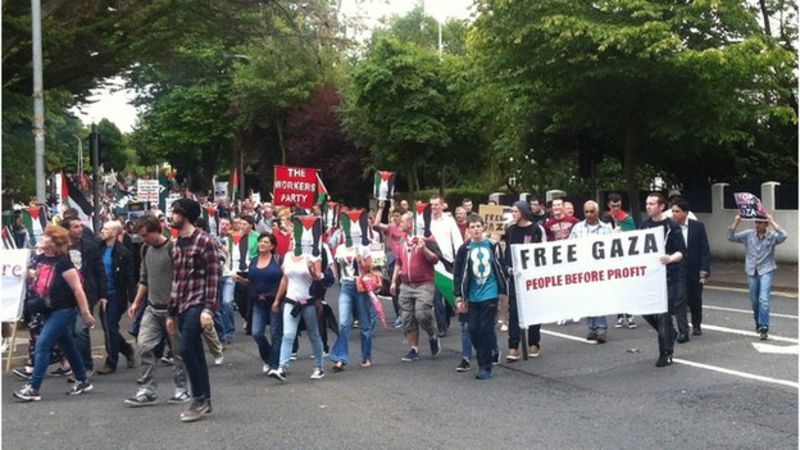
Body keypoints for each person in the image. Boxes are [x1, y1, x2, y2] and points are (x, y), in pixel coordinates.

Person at [13, 226, 96, 402]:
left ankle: (33, 387)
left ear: (54, 241)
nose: (42, 239)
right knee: (67, 345)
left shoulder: (64, 262)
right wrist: (30, 274)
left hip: (64, 310)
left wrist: (85, 313)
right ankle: (82, 380)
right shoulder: (42, 257)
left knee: (43, 343)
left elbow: (77, 289)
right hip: (47, 309)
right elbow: (38, 275)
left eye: (46, 236)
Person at [124, 215, 189, 407]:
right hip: (152, 307)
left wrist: (176, 305)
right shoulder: (145, 249)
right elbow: (144, 279)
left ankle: (181, 389)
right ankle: (147, 390)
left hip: (173, 310)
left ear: (156, 230)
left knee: (178, 352)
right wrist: (136, 302)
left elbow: (181, 280)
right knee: (144, 346)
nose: (144, 240)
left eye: (146, 235)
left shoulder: (173, 248)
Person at [166, 198, 221, 422]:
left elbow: (214, 275)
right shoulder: (178, 242)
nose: (172, 217)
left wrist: (209, 309)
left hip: (198, 302)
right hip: (182, 302)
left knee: (187, 347)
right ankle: (204, 400)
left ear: (186, 214)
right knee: (194, 351)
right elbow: (176, 280)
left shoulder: (204, 241)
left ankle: (198, 398)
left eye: (175, 213)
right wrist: (170, 312)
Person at [453, 215, 506, 379]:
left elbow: (501, 265)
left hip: (489, 293)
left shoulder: (493, 245)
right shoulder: (464, 249)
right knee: (473, 329)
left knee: (485, 328)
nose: (476, 229)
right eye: (473, 227)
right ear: (468, 229)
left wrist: (505, 286)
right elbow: (458, 273)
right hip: (472, 295)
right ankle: (489, 351)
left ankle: (485, 367)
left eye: (478, 226)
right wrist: (459, 297)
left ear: (483, 227)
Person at [640, 192, 686, 367]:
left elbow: (682, 251)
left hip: (669, 277)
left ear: (661, 206)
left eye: (652, 204)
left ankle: (666, 353)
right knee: (645, 310)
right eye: (647, 203)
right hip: (651, 277)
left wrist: (670, 258)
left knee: (663, 314)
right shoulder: (644, 226)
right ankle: (670, 333)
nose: (648, 207)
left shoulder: (671, 226)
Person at [267, 246, 325, 382]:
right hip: (291, 300)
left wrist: (311, 268)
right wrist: (277, 300)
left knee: (314, 334)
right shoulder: (287, 256)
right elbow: (285, 279)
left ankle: (319, 367)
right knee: (288, 334)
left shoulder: (312, 257)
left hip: (308, 301)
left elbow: (318, 279)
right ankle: (282, 367)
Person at [391, 212, 443, 362]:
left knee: (422, 314)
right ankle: (414, 349)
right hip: (406, 284)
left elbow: (435, 259)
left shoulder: (427, 239)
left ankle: (432, 334)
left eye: (402, 222)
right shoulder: (402, 241)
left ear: (411, 223)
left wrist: (424, 248)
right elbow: (398, 262)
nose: (399, 224)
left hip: (424, 284)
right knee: (407, 318)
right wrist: (394, 281)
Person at [727, 213, 787, 340]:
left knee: (763, 299)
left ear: (766, 224)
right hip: (751, 271)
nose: (757, 225)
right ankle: (758, 323)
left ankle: (764, 327)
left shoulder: (772, 236)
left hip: (766, 270)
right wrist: (736, 222)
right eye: (756, 222)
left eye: (760, 222)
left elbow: (783, 236)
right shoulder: (748, 234)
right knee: (754, 301)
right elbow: (730, 237)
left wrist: (772, 221)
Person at [62, 216, 106, 377]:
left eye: (80, 226)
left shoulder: (89, 246)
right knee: (69, 331)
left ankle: (86, 365)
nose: (80, 229)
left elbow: (99, 270)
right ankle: (75, 364)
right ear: (67, 230)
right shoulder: (60, 248)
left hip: (86, 293)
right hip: (65, 295)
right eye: (75, 227)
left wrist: (103, 294)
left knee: (81, 329)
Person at [503, 201, 546, 361]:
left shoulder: (536, 229)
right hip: (515, 277)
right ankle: (513, 346)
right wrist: (509, 269)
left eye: (516, 211)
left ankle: (534, 342)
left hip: (532, 277)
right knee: (514, 311)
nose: (513, 214)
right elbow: (507, 253)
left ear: (523, 211)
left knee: (534, 309)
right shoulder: (510, 231)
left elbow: (543, 252)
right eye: (512, 211)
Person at [569, 201, 613, 343]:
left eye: (591, 211)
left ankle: (601, 329)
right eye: (586, 212)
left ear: (597, 212)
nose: (588, 214)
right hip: (584, 269)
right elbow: (570, 246)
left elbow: (613, 247)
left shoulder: (606, 228)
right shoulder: (577, 228)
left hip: (600, 269)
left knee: (599, 297)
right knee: (588, 298)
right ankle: (592, 328)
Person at [330, 235, 375, 371]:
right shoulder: (341, 248)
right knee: (343, 323)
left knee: (365, 324)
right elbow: (339, 267)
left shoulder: (364, 247)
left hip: (361, 286)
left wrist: (360, 259)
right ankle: (340, 358)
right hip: (347, 285)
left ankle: (366, 356)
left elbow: (371, 267)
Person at [97, 220, 136, 375]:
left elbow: (129, 277)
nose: (102, 230)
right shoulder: (97, 249)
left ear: (115, 232)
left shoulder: (123, 253)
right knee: (109, 328)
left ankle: (111, 362)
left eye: (106, 229)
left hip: (116, 295)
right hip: (102, 295)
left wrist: (134, 300)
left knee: (111, 327)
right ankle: (126, 349)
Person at [240, 233, 283, 374]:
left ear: (272, 246)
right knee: (257, 333)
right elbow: (250, 282)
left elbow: (285, 280)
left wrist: (278, 300)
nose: (262, 244)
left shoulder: (277, 260)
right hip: (258, 301)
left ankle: (274, 365)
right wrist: (239, 279)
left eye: (265, 242)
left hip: (274, 301)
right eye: (260, 242)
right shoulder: (253, 261)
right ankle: (269, 358)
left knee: (276, 333)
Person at [670, 199, 711, 340]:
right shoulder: (669, 228)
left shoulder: (698, 226)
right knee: (680, 300)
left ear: (685, 213)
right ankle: (683, 331)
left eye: (677, 211)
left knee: (695, 299)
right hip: (677, 270)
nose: (674, 214)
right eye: (673, 211)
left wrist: (704, 268)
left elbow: (705, 248)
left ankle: (697, 324)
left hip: (695, 269)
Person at [601, 193, 638, 329]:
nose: (616, 208)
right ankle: (619, 315)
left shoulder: (627, 218)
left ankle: (629, 314)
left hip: (625, 256)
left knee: (627, 286)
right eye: (613, 206)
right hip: (612, 257)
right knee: (616, 286)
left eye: (618, 205)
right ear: (609, 205)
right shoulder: (605, 218)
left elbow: (633, 236)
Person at [428, 195, 463, 336]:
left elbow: (457, 239)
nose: (434, 207)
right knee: (436, 295)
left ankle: (447, 317)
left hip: (448, 261)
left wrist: (460, 258)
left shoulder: (449, 221)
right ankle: (441, 326)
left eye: (436, 204)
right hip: (433, 261)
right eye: (432, 205)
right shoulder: (427, 221)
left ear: (442, 205)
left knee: (449, 292)